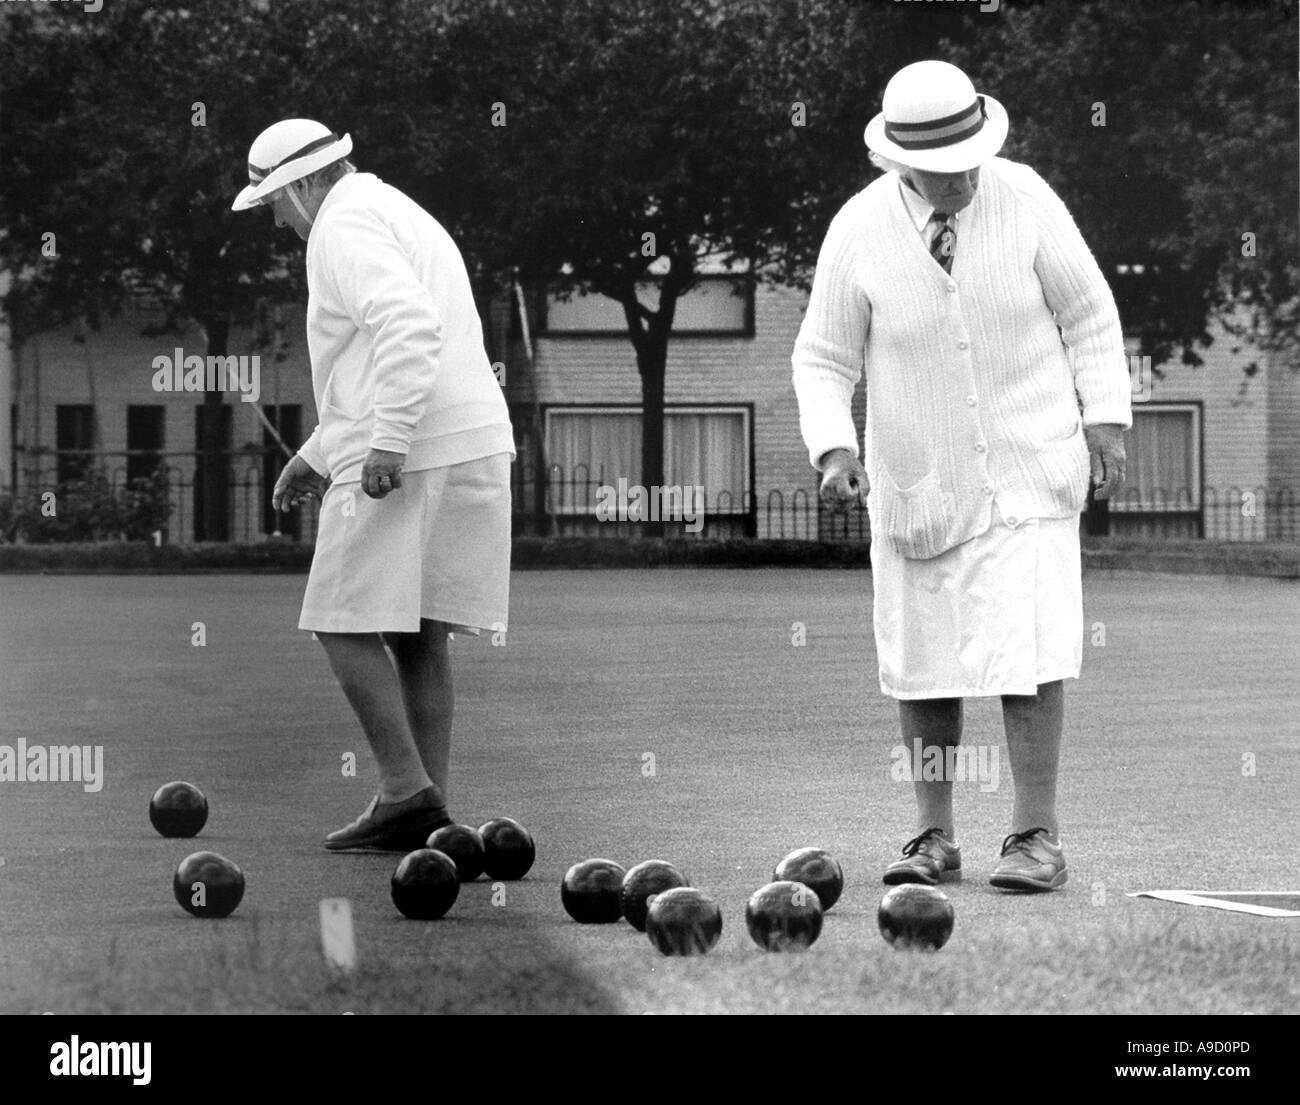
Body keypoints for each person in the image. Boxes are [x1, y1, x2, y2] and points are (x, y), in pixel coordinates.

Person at [792, 61, 1131, 891]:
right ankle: (932, 836)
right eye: (945, 168)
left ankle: (1034, 837)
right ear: (899, 162)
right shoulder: (858, 228)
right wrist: (835, 448)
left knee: (1031, 652)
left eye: (973, 158)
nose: (964, 178)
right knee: (924, 661)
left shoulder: (1026, 198)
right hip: (919, 481)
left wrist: (1107, 421)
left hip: (1030, 466)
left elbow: (1089, 313)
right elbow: (823, 355)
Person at [232, 118, 515, 851]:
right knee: (418, 628)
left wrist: (385, 441)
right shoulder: (394, 208)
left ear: (298, 186)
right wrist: (321, 450)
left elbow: (407, 326)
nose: (275, 222)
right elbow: (392, 348)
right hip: (472, 436)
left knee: (339, 614)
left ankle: (403, 791)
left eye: (271, 205)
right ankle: (433, 820)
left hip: (412, 446)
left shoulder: (340, 227)